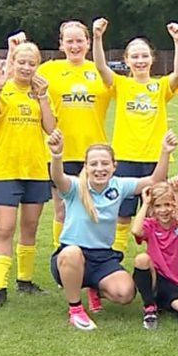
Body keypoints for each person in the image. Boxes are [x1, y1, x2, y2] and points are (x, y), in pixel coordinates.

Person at [48, 130, 178, 330]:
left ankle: (95, 288)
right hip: (71, 258)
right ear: (86, 166)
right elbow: (58, 178)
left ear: (114, 166)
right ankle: (75, 309)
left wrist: (165, 152)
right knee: (72, 252)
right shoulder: (75, 187)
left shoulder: (118, 185)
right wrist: (57, 155)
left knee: (126, 293)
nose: (99, 168)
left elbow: (154, 181)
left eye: (104, 163)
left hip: (103, 258)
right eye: (93, 164)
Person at [91, 17, 178, 254]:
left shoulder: (160, 86)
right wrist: (98, 37)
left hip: (156, 158)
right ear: (126, 61)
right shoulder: (121, 84)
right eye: (135, 56)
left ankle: (163, 258)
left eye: (144, 56)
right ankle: (116, 257)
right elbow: (101, 67)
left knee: (160, 211)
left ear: (152, 59)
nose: (140, 60)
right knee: (123, 214)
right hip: (126, 157)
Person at [0, 41, 56, 310]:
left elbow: (51, 128)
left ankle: (25, 280)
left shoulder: (40, 91)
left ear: (37, 65)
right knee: (5, 228)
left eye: (31, 63)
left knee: (30, 227)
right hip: (6, 170)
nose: (25, 67)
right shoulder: (0, 87)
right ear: (12, 63)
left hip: (35, 168)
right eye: (20, 62)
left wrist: (44, 96)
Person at [39, 21, 112, 248]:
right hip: (61, 152)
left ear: (88, 43)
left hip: (94, 155)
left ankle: (92, 254)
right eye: (69, 41)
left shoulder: (99, 71)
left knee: (93, 208)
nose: (75, 45)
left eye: (79, 40)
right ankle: (60, 254)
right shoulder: (48, 71)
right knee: (61, 210)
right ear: (61, 44)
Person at [132, 182, 178, 330]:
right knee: (141, 259)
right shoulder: (151, 224)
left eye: (168, 205)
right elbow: (136, 231)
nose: (163, 210)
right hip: (156, 279)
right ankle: (150, 307)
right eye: (158, 206)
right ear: (153, 209)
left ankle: (167, 304)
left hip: (176, 283)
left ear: (175, 205)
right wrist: (145, 204)